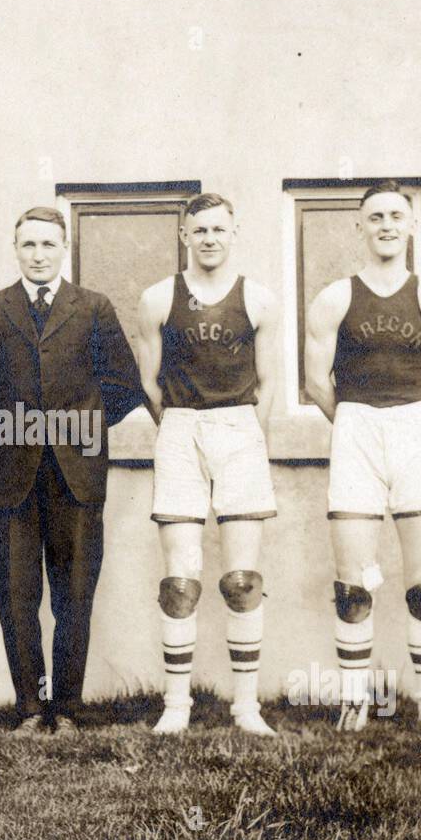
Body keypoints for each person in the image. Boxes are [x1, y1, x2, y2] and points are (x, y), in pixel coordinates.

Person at [0, 207, 144, 735]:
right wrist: (23, 426)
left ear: (64, 248)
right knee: (16, 593)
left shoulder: (93, 308)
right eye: (29, 246)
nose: (38, 255)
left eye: (48, 245)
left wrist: (71, 427)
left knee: (74, 592)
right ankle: (28, 706)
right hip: (9, 473)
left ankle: (65, 708)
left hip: (76, 474)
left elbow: (123, 385)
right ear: (15, 250)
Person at [304, 180, 421, 731]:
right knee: (353, 585)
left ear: (412, 225)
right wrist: (356, 418)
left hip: (415, 424)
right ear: (361, 227)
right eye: (376, 217)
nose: (387, 225)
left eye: (397, 215)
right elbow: (314, 381)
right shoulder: (336, 297)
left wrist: (405, 416)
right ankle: (354, 699)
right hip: (356, 429)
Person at [133, 193, 282, 736]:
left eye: (219, 229)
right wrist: (177, 427)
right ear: (185, 236)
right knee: (179, 579)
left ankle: (247, 706)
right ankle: (177, 706)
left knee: (242, 578)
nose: (210, 239)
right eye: (200, 230)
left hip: (240, 427)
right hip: (181, 426)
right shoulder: (157, 299)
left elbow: (268, 383)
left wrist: (249, 437)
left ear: (234, 232)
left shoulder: (260, 300)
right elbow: (149, 384)